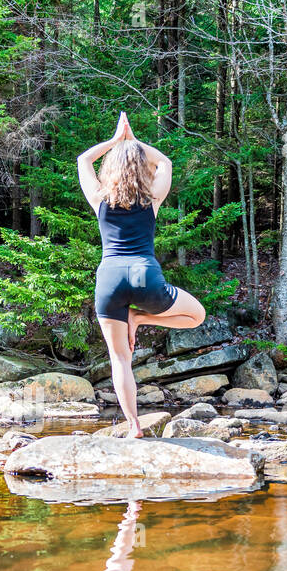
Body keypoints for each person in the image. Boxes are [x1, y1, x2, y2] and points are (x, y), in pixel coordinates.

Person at [77, 113, 207, 437]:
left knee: (120, 359)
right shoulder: (152, 200)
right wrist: (133, 143)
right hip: (143, 275)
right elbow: (164, 163)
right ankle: (141, 319)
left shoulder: (100, 200)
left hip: (109, 278)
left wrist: (116, 141)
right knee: (197, 316)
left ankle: (134, 425)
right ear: (139, 168)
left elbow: (83, 160)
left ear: (110, 169)